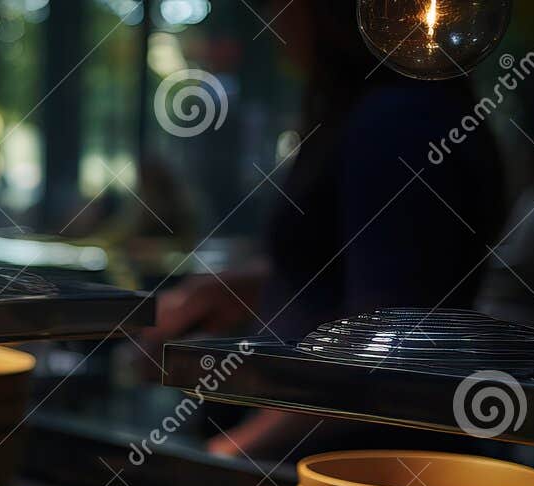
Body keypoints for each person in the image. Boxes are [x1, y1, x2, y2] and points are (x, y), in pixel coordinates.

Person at [145, 0, 508, 459]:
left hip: (361, 469)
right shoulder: (393, 110)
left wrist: (224, 458)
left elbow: (383, 351)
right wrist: (253, 289)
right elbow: (364, 276)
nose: (271, 18)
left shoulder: (402, 118)